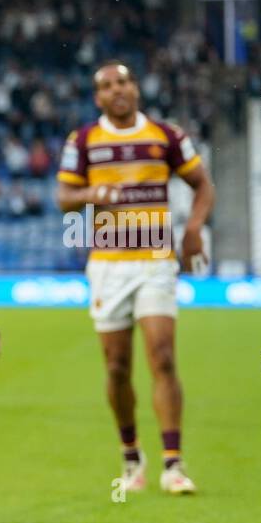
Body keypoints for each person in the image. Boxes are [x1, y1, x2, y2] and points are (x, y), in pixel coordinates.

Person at [56, 61, 215, 495]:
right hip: (108, 264)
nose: (117, 90)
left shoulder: (166, 135)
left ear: (136, 88)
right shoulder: (84, 140)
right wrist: (90, 194)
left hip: (156, 260)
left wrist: (194, 228)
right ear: (98, 98)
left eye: (123, 82)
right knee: (116, 365)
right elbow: (64, 197)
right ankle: (131, 456)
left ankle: (173, 464)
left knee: (162, 356)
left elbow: (202, 184)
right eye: (107, 86)